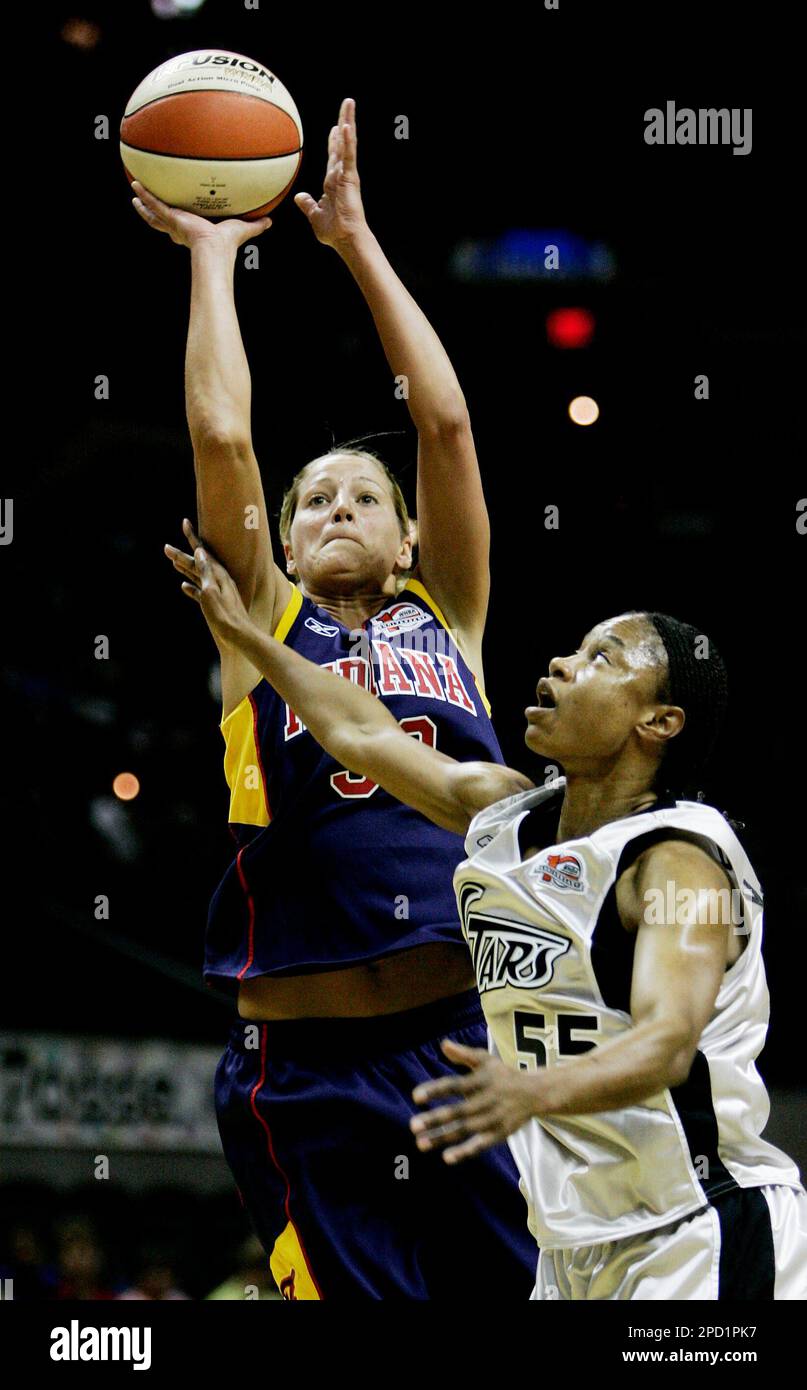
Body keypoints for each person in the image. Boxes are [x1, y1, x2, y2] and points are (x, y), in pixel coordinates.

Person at [169, 546, 807, 1300]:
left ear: (658, 722)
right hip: (570, 1247)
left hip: (699, 1226)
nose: (563, 664)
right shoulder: (503, 812)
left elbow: (667, 1041)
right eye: (573, 647)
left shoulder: (678, 861)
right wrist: (250, 640)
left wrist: (529, 1092)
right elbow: (362, 734)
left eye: (601, 658)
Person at [142, 98, 536, 1298]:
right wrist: (215, 257)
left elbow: (449, 421)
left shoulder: (449, 619)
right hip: (303, 1066)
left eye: (363, 493)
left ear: (409, 528)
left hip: (462, 1044)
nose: (334, 510)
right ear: (289, 540)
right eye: (312, 499)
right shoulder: (260, 619)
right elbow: (221, 431)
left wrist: (354, 242)